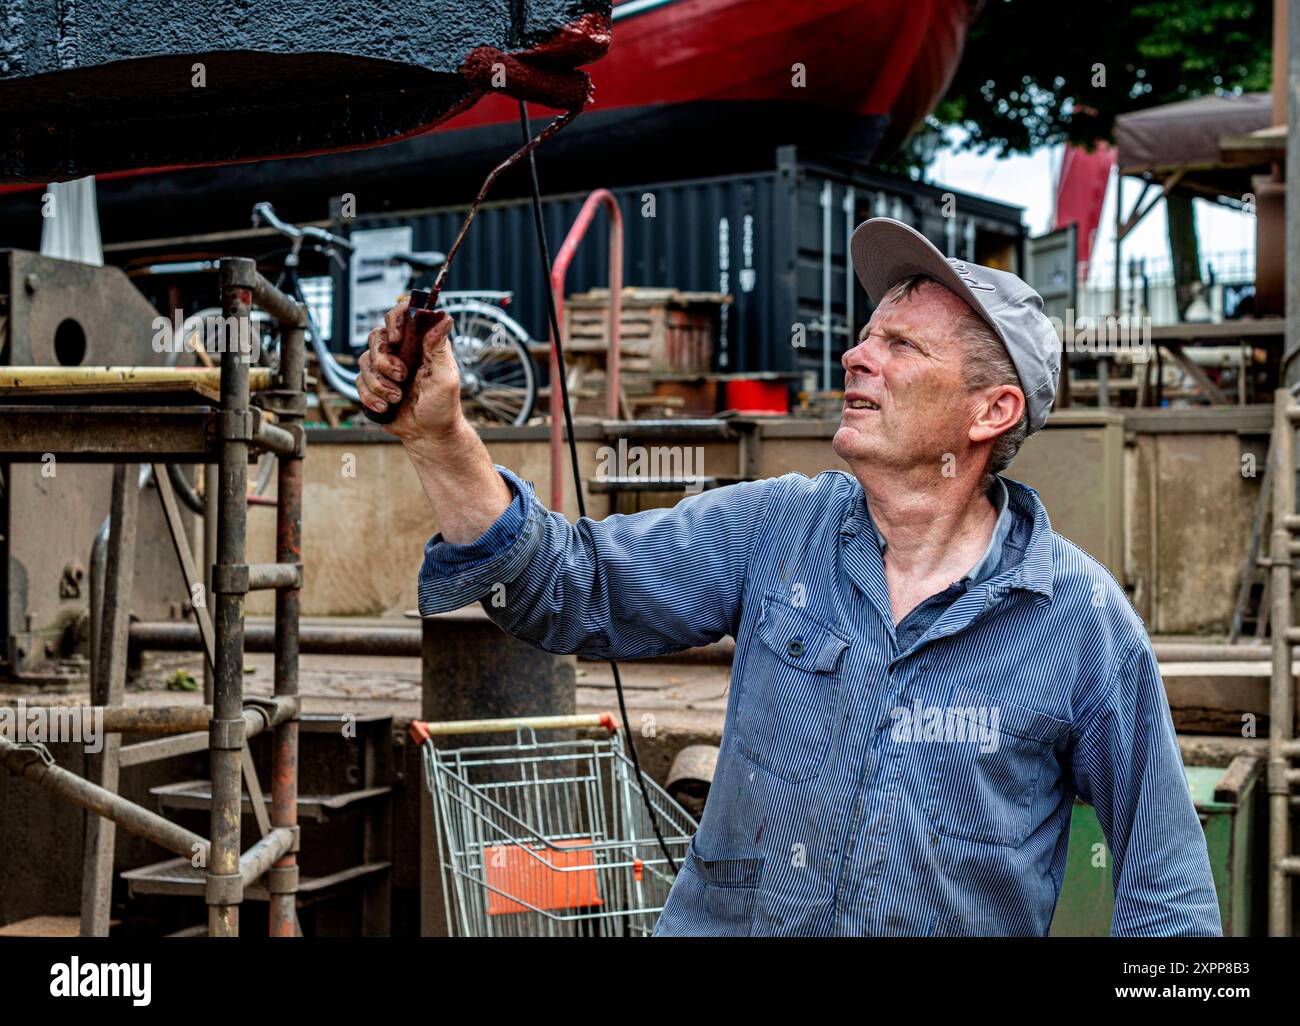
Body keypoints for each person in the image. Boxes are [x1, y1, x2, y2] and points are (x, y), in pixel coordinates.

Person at [358, 218, 1221, 937]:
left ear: (991, 412)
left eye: (902, 345)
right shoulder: (775, 528)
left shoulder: (1078, 621)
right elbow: (570, 585)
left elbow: (1169, 897)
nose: (855, 355)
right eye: (866, 333)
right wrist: (441, 440)